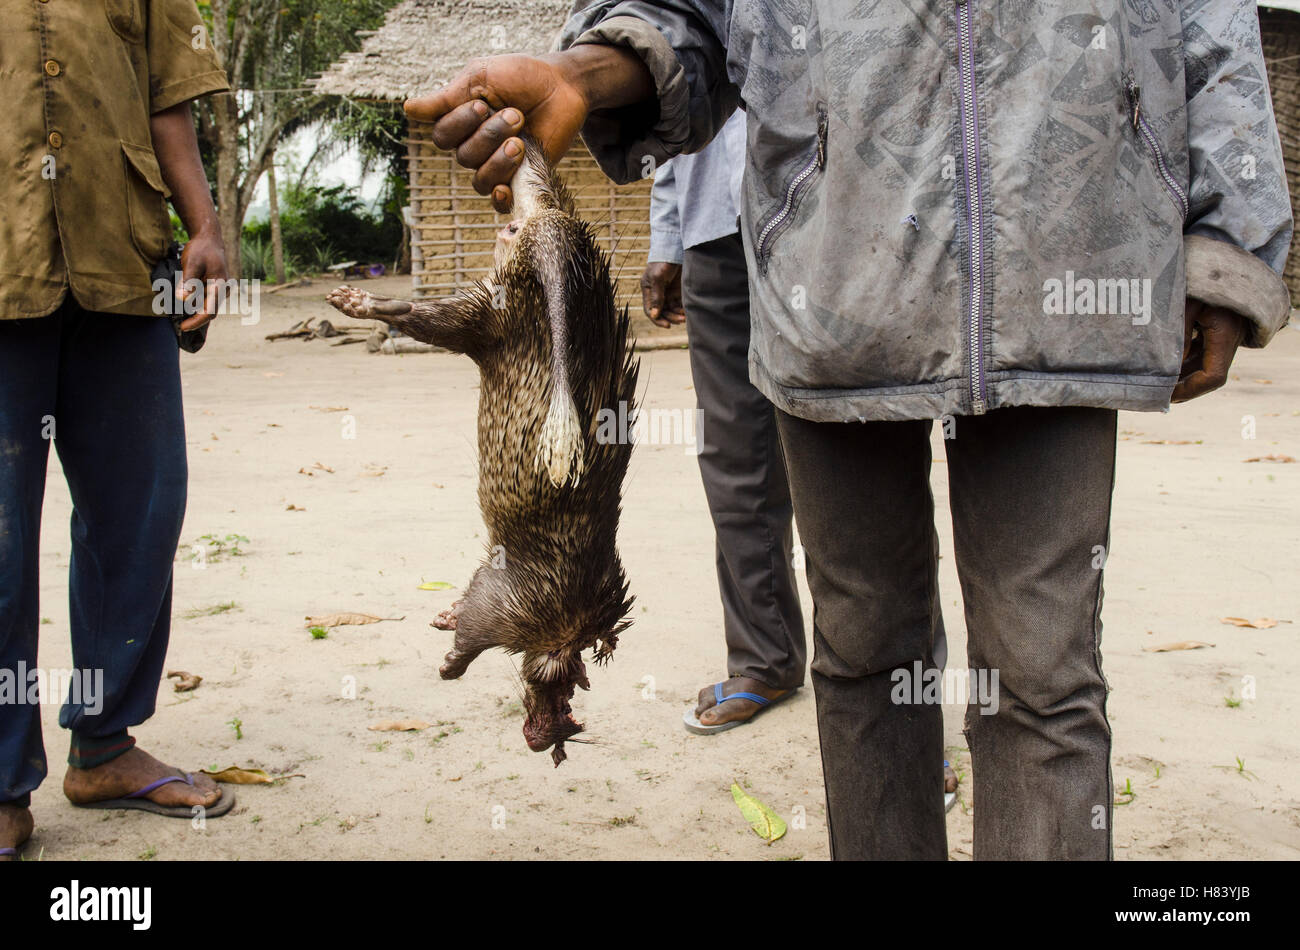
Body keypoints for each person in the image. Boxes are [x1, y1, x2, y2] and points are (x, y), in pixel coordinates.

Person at [404, 0, 1292, 859]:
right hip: (832, 275)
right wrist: (581, 70)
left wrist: (1226, 245)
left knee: (1044, 674)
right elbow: (696, 12)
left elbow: (1212, 19)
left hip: (1071, 256)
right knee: (866, 653)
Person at [0, 0, 234, 861]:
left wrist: (203, 225)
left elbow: (167, 90)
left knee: (141, 512)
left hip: (123, 255)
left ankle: (103, 743)